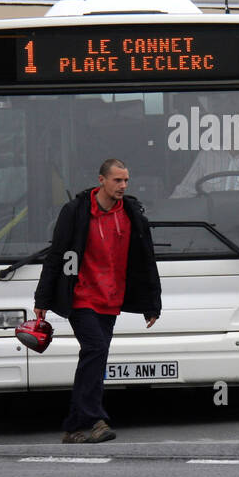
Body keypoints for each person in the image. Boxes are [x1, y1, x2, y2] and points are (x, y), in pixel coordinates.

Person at [34, 159, 162, 444]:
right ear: (101, 180)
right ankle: (93, 418)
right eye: (117, 180)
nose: (123, 186)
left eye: (126, 180)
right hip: (82, 296)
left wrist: (152, 303)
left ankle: (76, 426)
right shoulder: (76, 212)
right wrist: (42, 297)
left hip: (111, 298)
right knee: (95, 348)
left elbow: (146, 260)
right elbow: (55, 256)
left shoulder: (132, 214)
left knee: (96, 356)